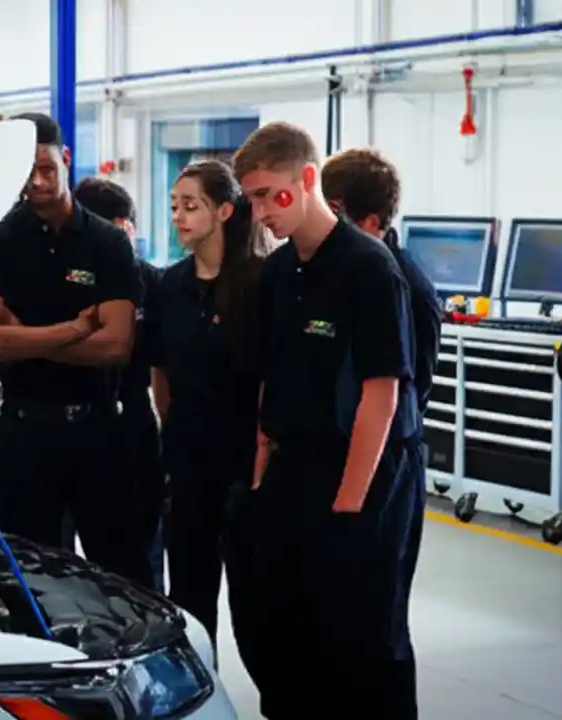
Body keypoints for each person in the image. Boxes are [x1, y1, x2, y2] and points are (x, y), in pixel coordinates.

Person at [234, 121, 422, 718]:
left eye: (272, 194)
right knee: (285, 635)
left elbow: (381, 394)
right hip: (291, 473)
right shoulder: (278, 272)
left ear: (308, 180)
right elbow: (272, 379)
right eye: (253, 198)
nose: (262, 211)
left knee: (364, 643)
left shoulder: (368, 268)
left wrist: (349, 507)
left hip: (356, 479)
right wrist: (264, 475)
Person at [0, 112, 153, 589]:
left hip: (98, 432)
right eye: (26, 172)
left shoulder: (107, 243)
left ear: (65, 159)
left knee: (122, 574)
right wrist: (72, 328)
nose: (38, 181)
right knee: (31, 578)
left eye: (47, 167)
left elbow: (115, 344)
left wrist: (24, 338)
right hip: (24, 432)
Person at [147, 159, 275, 674]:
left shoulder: (262, 284)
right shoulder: (169, 286)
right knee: (191, 601)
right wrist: (176, 436)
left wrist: (262, 466)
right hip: (188, 462)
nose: (178, 216)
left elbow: (272, 381)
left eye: (191, 206)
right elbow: (161, 373)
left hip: (248, 466)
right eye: (175, 206)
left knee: (258, 607)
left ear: (224, 210)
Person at [321, 146, 441, 622]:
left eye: (335, 215)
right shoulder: (333, 273)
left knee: (376, 620)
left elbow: (413, 386)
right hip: (341, 455)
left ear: (371, 222)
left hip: (386, 463)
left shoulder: (403, 284)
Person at [72, 176, 165, 590]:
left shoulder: (156, 285)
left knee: (138, 559)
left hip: (133, 425)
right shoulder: (68, 283)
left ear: (124, 227)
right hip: (73, 425)